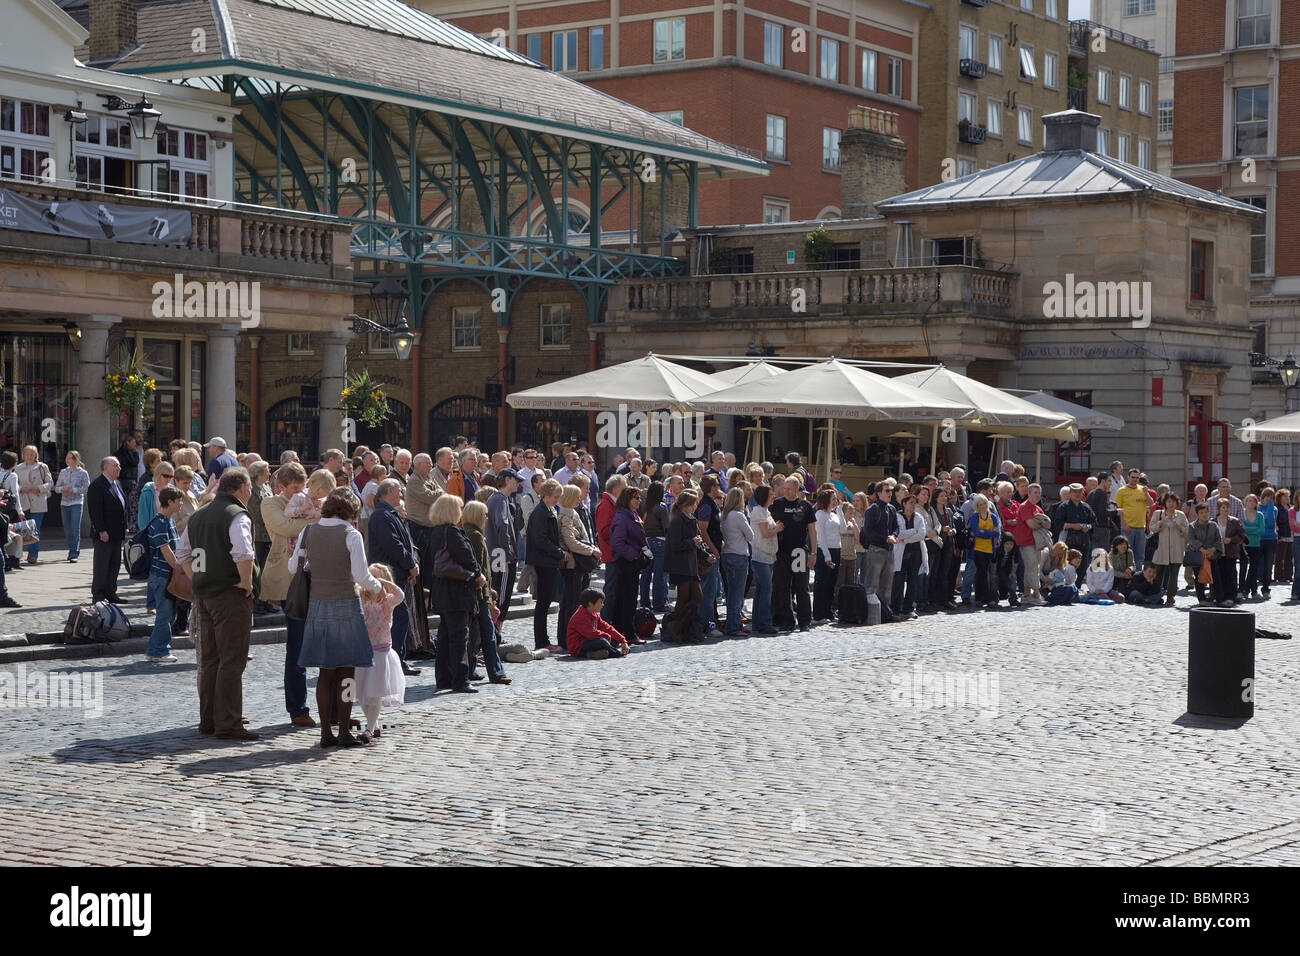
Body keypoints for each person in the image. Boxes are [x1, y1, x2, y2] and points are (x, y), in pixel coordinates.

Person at [288, 488, 379, 747]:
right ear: (349, 510)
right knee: (347, 672)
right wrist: (378, 588)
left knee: (325, 673)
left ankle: (325, 732)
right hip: (346, 606)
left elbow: (293, 567)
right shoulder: (351, 535)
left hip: (318, 605)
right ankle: (344, 732)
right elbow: (361, 576)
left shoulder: (308, 531)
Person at [185, 467, 259, 741]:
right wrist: (247, 582)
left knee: (210, 660)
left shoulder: (198, 515)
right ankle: (228, 722)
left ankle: (209, 719)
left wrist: (199, 578)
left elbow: (185, 553)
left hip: (204, 594)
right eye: (249, 488)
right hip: (229, 594)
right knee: (232, 659)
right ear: (240, 487)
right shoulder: (236, 514)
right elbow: (243, 551)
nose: (250, 493)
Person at [260, 461, 319, 729]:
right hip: (289, 581)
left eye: (302, 486)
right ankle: (297, 709)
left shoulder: (308, 499)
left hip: (315, 577)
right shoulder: (271, 503)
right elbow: (285, 527)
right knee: (297, 645)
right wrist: (315, 518)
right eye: (294, 487)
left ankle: (331, 708)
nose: (300, 491)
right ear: (281, 487)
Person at [426, 493, 483, 691]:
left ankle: (443, 679)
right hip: (457, 591)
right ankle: (460, 680)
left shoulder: (436, 531)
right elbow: (467, 558)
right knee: (459, 637)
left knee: (445, 637)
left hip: (443, 591)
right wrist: (477, 574)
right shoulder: (452, 532)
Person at [366, 478, 420, 676]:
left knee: (399, 617)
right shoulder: (382, 515)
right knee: (398, 617)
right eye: (398, 491)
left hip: (397, 572)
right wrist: (410, 564)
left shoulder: (389, 513)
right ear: (388, 492)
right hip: (389, 574)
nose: (401, 495)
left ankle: (398, 659)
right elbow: (393, 545)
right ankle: (396, 660)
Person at [354, 563, 408, 739]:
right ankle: (374, 725)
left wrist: (383, 581)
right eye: (370, 576)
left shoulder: (388, 600)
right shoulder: (361, 597)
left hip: (381, 652)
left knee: (374, 693)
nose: (372, 581)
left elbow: (401, 594)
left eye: (375, 577)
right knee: (361, 694)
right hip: (363, 650)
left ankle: (368, 730)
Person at [460, 500, 510, 684]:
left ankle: (471, 669)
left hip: (474, 594)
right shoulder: (475, 536)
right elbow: (480, 569)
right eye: (485, 515)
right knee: (488, 635)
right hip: (480, 594)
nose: (487, 518)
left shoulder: (467, 532)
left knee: (473, 635)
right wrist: (487, 597)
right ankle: (496, 672)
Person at [144, 487, 186, 663]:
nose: (181, 504)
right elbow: (166, 550)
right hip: (162, 576)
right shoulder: (160, 522)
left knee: (168, 614)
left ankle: (156, 649)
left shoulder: (168, 520)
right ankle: (158, 650)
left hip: (166, 575)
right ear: (170, 502)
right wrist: (178, 568)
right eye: (178, 501)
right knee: (164, 614)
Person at [526, 478, 568, 652]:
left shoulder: (547, 509)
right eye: (555, 497)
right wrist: (559, 553)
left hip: (548, 561)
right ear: (547, 495)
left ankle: (543, 640)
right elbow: (541, 540)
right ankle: (541, 641)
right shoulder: (540, 512)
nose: (557, 500)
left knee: (544, 602)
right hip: (543, 561)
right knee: (543, 603)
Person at [558, 483, 601, 647]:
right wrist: (591, 551)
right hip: (573, 565)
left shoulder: (573, 513)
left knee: (575, 602)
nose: (579, 499)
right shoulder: (566, 516)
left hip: (579, 564)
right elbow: (571, 542)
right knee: (571, 603)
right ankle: (568, 637)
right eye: (576, 496)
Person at [609, 485, 649, 644]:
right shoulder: (621, 517)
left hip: (632, 563)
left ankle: (623, 633)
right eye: (636, 498)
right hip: (626, 562)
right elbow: (617, 543)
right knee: (625, 599)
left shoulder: (632, 514)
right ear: (628, 499)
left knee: (629, 599)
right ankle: (626, 633)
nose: (639, 501)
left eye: (639, 498)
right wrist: (635, 555)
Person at [86, 456, 128, 604]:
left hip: (117, 532)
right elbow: (95, 511)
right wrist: (101, 530)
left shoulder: (117, 483)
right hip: (105, 533)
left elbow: (121, 507)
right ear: (105, 468)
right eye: (115, 466)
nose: (119, 468)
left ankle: (111, 593)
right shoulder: (97, 485)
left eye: (119, 465)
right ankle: (98, 595)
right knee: (102, 566)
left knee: (114, 565)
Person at [664, 490, 705, 643]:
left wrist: (706, 555)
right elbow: (675, 545)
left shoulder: (691, 519)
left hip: (691, 565)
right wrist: (692, 542)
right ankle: (676, 628)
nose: (696, 506)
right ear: (687, 505)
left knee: (696, 597)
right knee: (684, 598)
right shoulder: (677, 520)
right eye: (694, 503)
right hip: (680, 565)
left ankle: (681, 627)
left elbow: (695, 542)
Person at [485, 468, 520, 627]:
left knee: (497, 591)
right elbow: (502, 523)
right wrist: (508, 546)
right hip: (502, 555)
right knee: (502, 594)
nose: (518, 483)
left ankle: (494, 630)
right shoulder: (500, 499)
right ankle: (496, 629)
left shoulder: (498, 498)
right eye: (516, 480)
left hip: (497, 553)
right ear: (507, 480)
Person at [717, 487, 754, 637]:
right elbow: (750, 535)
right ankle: (733, 627)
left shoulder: (723, 515)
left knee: (731, 592)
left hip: (727, 554)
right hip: (739, 555)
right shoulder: (738, 515)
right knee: (736, 594)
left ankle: (734, 624)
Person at [859, 481, 898, 621]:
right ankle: (872, 615)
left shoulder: (892, 509)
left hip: (889, 550)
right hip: (876, 550)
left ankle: (885, 614)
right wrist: (885, 538)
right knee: (872, 584)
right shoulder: (872, 509)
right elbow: (869, 531)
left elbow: (896, 527)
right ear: (879, 493)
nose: (889, 493)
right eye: (886, 491)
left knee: (887, 586)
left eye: (890, 491)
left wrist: (894, 535)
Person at [748, 485, 779, 634]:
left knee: (762, 589)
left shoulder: (766, 511)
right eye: (771, 494)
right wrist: (778, 529)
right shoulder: (759, 511)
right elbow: (766, 533)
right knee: (766, 589)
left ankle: (758, 622)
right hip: (760, 555)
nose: (773, 496)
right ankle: (765, 622)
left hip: (768, 555)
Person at [566, 589, 631, 659]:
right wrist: (606, 636)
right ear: (590, 603)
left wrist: (622, 640)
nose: (603, 605)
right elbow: (591, 634)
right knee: (602, 642)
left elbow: (607, 627)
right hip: (577, 648)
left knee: (611, 639)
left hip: (589, 642)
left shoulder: (593, 614)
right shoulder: (580, 616)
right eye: (601, 602)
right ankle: (617, 653)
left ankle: (594, 654)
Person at [1148, 493, 1188, 606]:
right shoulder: (1158, 513)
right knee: (1158, 573)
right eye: (1169, 501)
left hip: (1176, 549)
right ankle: (1156, 594)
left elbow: (1186, 531)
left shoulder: (1181, 515)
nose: (1171, 504)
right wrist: (1161, 522)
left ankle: (1171, 596)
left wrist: (1177, 526)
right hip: (1161, 549)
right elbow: (1152, 528)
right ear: (1165, 503)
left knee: (1174, 575)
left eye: (1173, 501)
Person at [14, 446, 52, 564]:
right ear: (23, 455)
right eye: (27, 454)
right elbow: (14, 484)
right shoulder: (18, 468)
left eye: (32, 454)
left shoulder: (42, 467)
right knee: (23, 530)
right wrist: (21, 489)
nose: (29, 456)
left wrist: (38, 488)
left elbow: (50, 483)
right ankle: (19, 554)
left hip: (38, 502)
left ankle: (33, 554)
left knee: (35, 529)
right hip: (24, 502)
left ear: (36, 455)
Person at [54, 451, 90, 564]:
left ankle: (74, 553)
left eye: (70, 458)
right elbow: (56, 487)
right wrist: (61, 489)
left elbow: (86, 488)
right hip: (64, 503)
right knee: (67, 530)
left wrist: (73, 490)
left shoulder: (83, 473)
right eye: (67, 458)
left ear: (76, 460)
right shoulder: (63, 472)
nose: (67, 460)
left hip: (76, 502)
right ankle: (71, 548)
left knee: (74, 529)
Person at [640, 481, 670, 612]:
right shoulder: (661, 507)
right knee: (659, 576)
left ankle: (644, 603)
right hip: (660, 541)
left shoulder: (642, 505)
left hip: (645, 541)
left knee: (646, 575)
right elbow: (667, 527)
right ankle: (658, 604)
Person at [1189, 502, 1227, 606]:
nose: (1204, 514)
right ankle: (1202, 599)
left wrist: (1213, 550)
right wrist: (1203, 550)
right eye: (1202, 512)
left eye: (1206, 512)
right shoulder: (1192, 526)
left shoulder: (1213, 525)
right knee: (1199, 578)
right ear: (1197, 514)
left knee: (1216, 578)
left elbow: (1218, 539)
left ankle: (1220, 599)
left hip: (1212, 555)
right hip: (1198, 556)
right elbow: (1192, 540)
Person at [969, 493, 1001, 609]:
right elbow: (976, 532)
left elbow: (997, 533)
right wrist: (988, 533)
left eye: (984, 503)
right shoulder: (974, 517)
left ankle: (981, 597)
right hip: (977, 549)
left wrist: (984, 533)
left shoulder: (992, 517)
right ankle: (983, 598)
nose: (983, 506)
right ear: (977, 506)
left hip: (989, 549)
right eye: (980, 504)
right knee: (982, 572)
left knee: (986, 573)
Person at [136, 459, 174, 541]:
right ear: (159, 474)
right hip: (152, 533)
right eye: (166, 476)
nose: (168, 479)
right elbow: (143, 517)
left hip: (169, 532)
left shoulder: (172, 490)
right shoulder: (148, 491)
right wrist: (146, 536)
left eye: (171, 476)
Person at [1257, 487, 1278, 598]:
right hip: (1259, 539)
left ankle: (1266, 589)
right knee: (1255, 565)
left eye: (1271, 498)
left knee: (1268, 566)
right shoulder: (1258, 507)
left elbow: (1270, 523)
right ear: (1262, 497)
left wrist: (1270, 506)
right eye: (1267, 497)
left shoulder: (1274, 509)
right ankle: (1252, 588)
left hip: (1270, 539)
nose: (1269, 499)